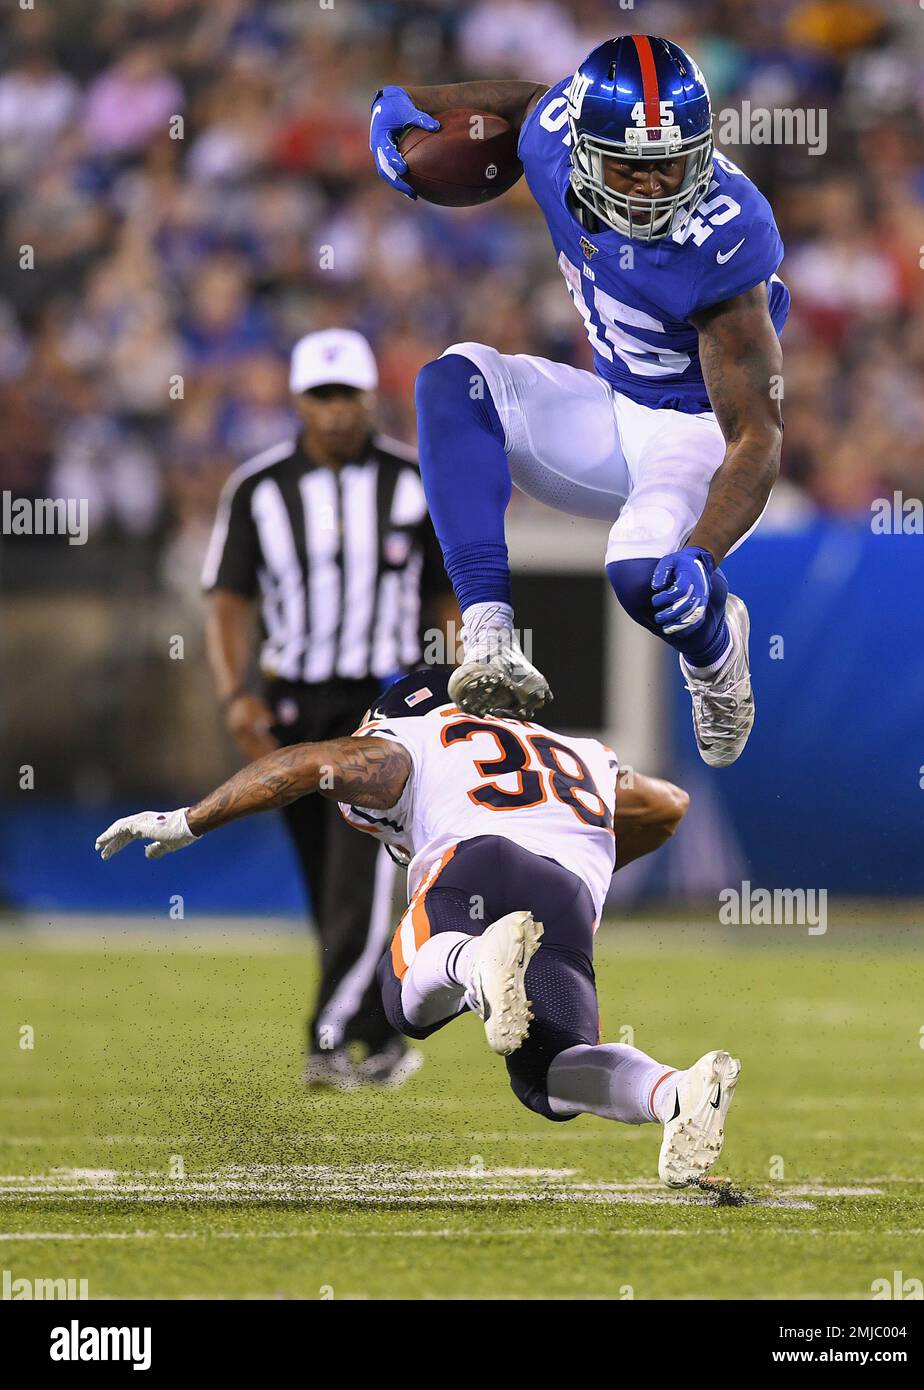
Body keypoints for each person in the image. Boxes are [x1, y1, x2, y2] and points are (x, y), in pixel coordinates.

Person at [95, 666, 741, 1188]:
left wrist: (189, 819)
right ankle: (674, 1095)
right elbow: (666, 806)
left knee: (401, 1001)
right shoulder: (579, 752)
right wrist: (590, 855)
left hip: (477, 865)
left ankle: (472, 965)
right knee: (549, 1074)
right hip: (566, 898)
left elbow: (296, 767)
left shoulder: (414, 742)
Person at [370, 33, 789, 767]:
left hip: (697, 435)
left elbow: (757, 437)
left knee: (642, 577)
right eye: (632, 169)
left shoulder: (726, 238)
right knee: (453, 382)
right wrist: (406, 104)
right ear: (587, 151)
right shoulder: (555, 139)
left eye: (672, 166)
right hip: (611, 403)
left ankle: (717, 655)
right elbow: (528, 102)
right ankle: (490, 638)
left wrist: (701, 553)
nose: (656, 186)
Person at [202, 328, 458, 1089]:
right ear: (298, 401)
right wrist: (234, 691)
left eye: (347, 394)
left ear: (369, 395)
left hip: (380, 706)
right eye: (322, 396)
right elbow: (227, 596)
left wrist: (454, 681)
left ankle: (326, 1039)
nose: (337, 411)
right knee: (328, 887)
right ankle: (375, 1040)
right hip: (290, 703)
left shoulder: (415, 481)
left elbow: (447, 593)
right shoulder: (258, 487)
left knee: (363, 879)